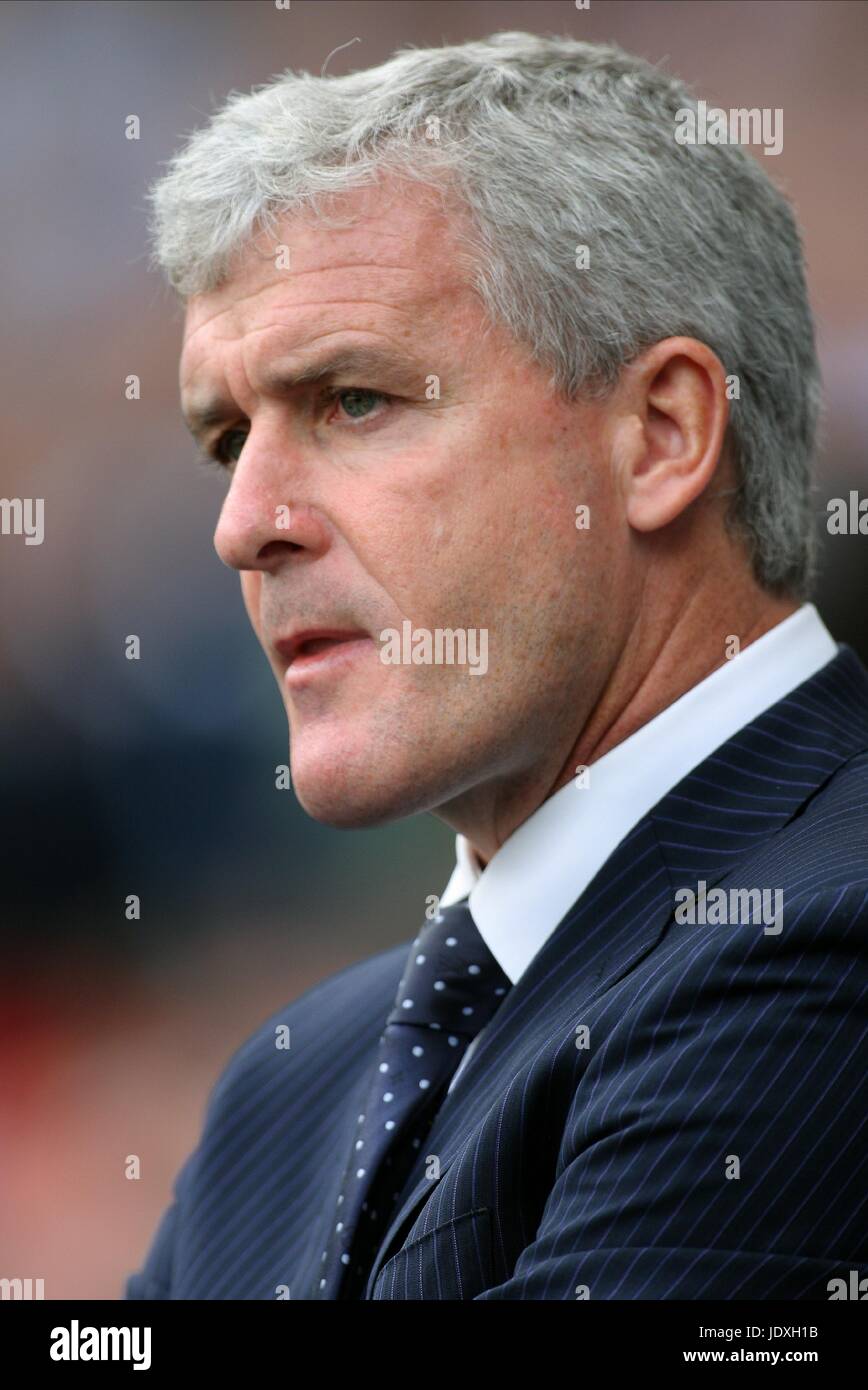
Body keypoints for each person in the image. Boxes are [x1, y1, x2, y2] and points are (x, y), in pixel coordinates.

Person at [126, 32, 868, 1300]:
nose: (243, 523)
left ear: (662, 434)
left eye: (353, 400)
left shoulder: (823, 939)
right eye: (226, 439)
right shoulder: (291, 1085)